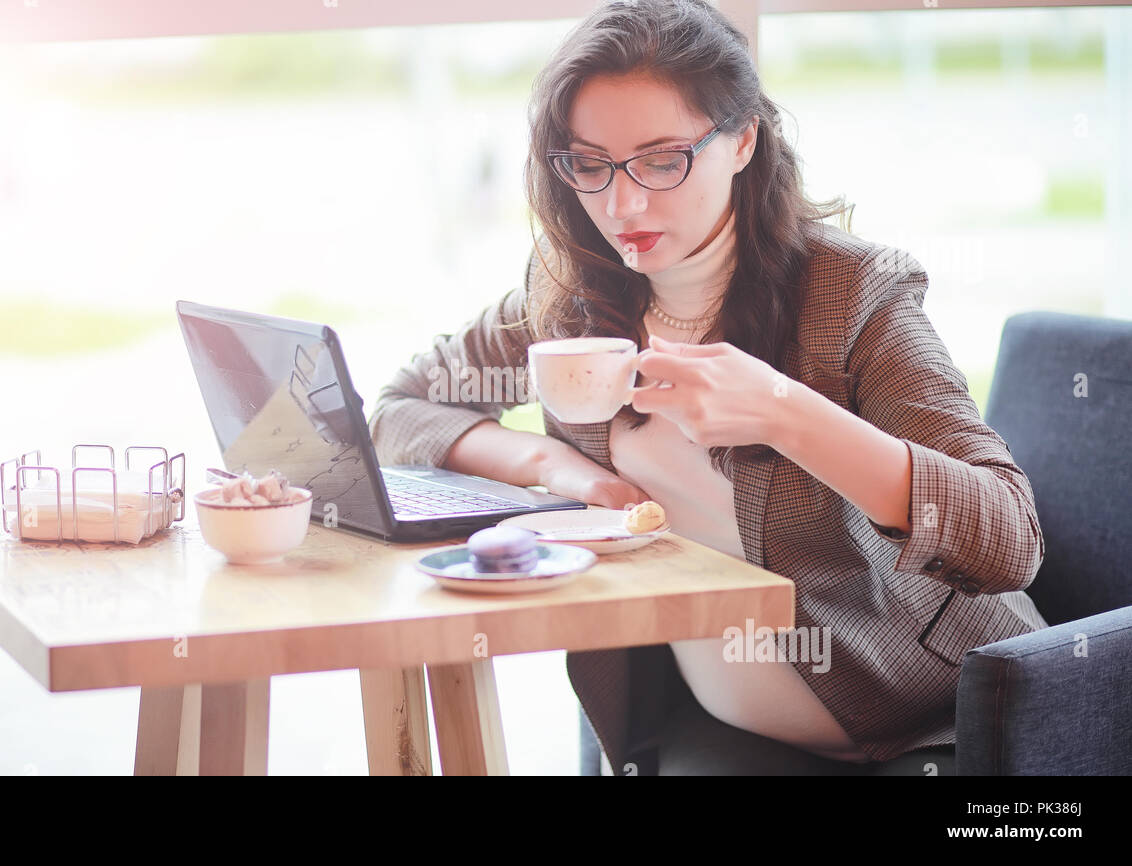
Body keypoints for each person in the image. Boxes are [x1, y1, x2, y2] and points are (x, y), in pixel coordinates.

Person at [368, 0, 1047, 774]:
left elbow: (1008, 538)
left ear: (744, 139)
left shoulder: (850, 294)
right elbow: (402, 406)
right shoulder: (572, 293)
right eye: (590, 164)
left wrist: (788, 413)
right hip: (720, 723)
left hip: (927, 719)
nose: (623, 205)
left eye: (663, 159)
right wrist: (558, 470)